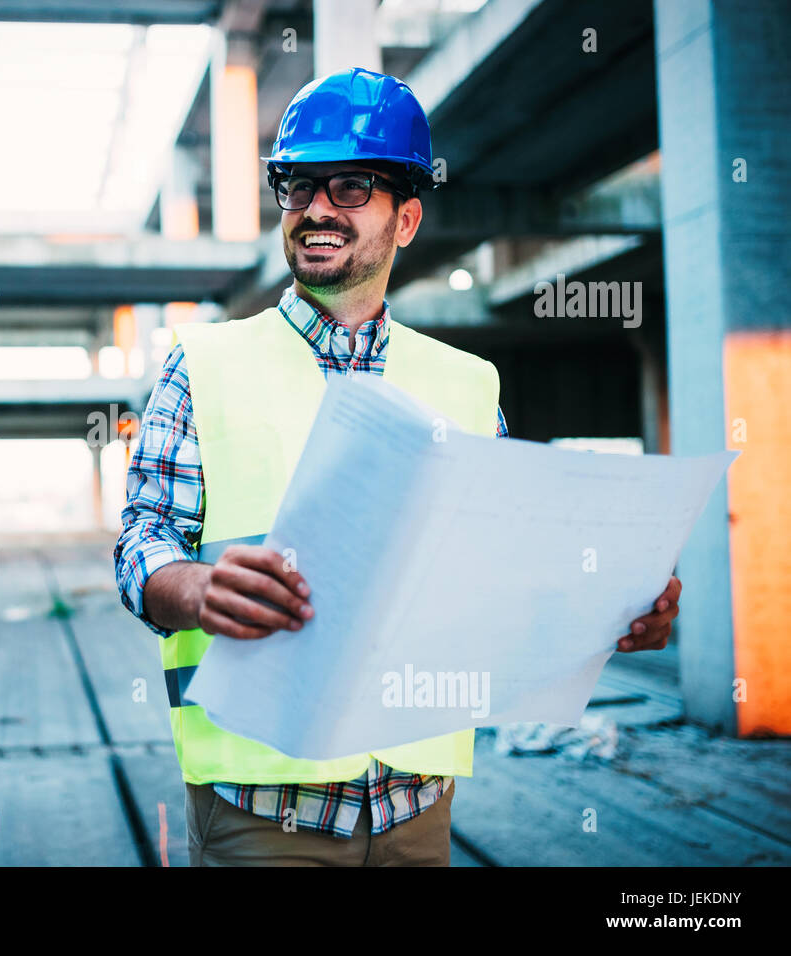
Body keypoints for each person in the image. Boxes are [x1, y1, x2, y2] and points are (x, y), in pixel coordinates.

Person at [113, 68, 682, 867]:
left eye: (349, 187)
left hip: (418, 804)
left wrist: (613, 609)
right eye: (298, 186)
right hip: (262, 809)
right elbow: (143, 540)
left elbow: (499, 576)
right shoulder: (201, 363)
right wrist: (198, 591)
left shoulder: (467, 383)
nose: (316, 208)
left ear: (406, 218)